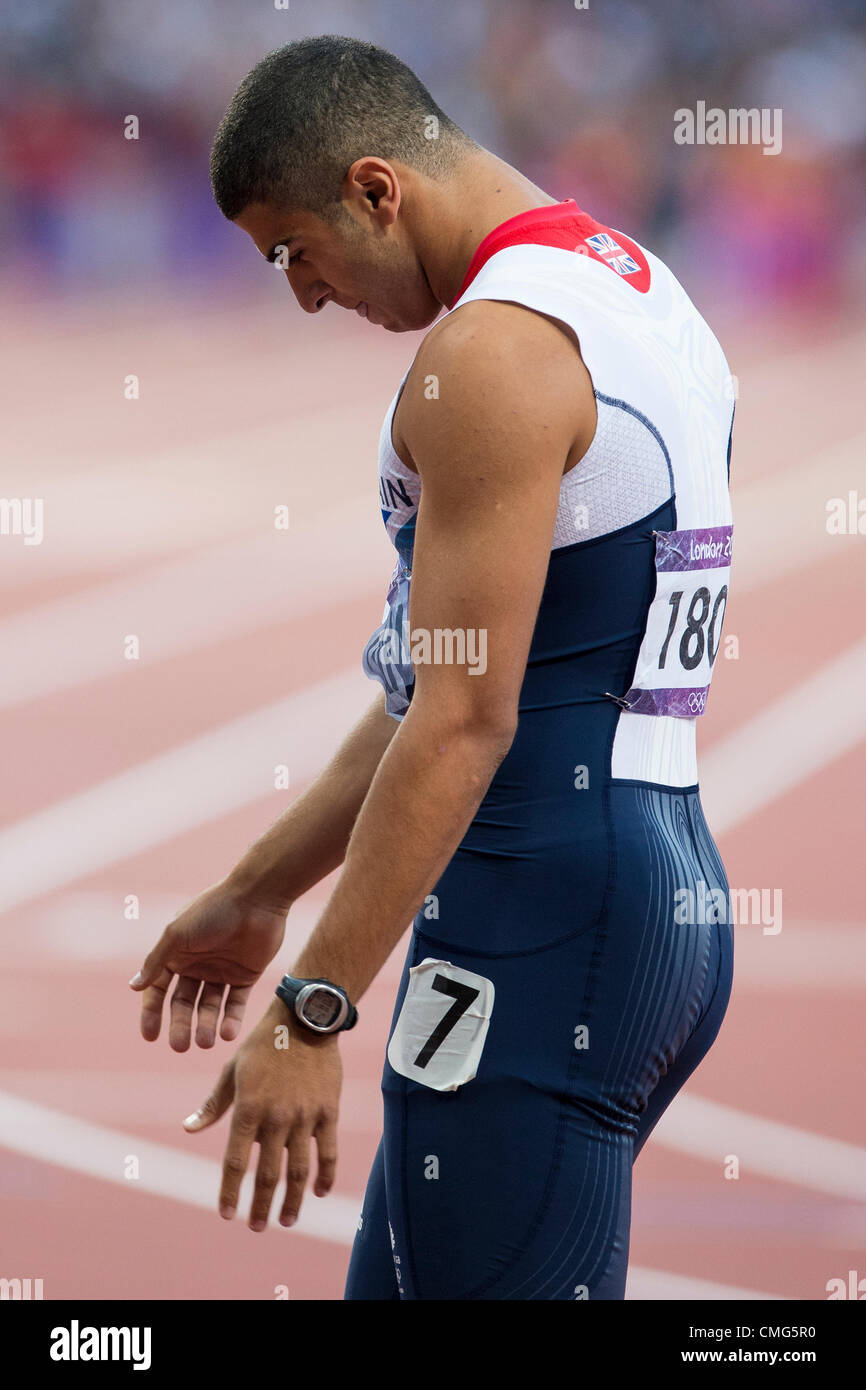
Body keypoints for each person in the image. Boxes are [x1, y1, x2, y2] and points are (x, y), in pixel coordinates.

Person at [130, 35, 736, 1300]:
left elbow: (462, 720)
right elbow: (435, 678)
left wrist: (312, 1008)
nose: (300, 294)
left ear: (374, 189)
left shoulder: (494, 354)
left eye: (293, 250)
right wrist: (261, 890)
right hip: (630, 875)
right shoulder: (630, 286)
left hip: (541, 919)